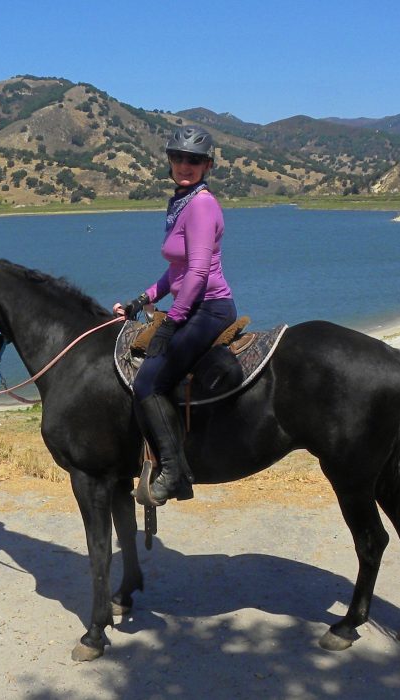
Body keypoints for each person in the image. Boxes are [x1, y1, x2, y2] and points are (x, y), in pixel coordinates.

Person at [114, 126, 237, 505]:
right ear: (170, 161)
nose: (185, 165)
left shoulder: (200, 205)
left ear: (207, 165)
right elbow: (177, 272)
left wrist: (171, 322)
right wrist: (141, 300)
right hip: (193, 302)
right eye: (179, 157)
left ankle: (174, 473)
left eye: (194, 160)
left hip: (208, 308)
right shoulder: (182, 201)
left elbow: (198, 274)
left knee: (148, 383)